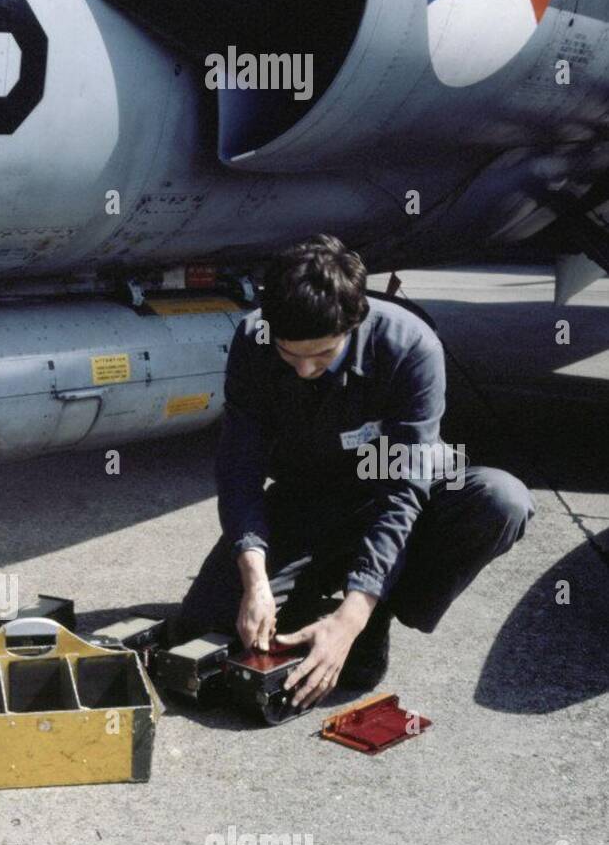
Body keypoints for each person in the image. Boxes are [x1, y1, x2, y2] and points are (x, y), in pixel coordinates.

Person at [172, 234, 535, 712]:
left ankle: (373, 608)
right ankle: (311, 603)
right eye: (289, 354)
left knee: (501, 499)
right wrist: (255, 577)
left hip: (399, 490)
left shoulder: (409, 345)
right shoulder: (253, 339)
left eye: (321, 356)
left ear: (353, 323)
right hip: (311, 495)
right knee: (203, 627)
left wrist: (355, 612)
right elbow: (239, 467)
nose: (303, 370)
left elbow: (404, 487)